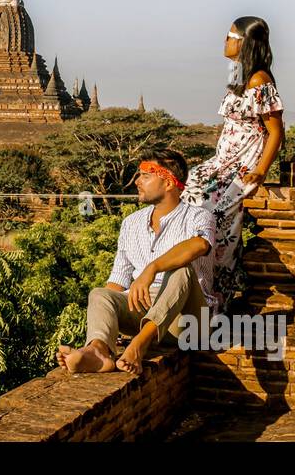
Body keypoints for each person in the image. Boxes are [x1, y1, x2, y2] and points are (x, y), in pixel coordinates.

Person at [56, 151, 213, 375]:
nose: (137, 181)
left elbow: (199, 245)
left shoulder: (198, 217)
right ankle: (98, 352)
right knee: (100, 294)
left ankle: (139, 345)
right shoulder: (132, 223)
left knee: (182, 269)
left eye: (145, 176)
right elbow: (117, 281)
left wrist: (152, 268)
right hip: (144, 312)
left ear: (168, 183)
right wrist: (107, 325)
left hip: (188, 321)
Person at [183, 16, 285, 315]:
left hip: (240, 167)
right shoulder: (241, 77)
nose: (225, 41)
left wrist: (260, 173)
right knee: (187, 199)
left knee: (213, 223)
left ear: (245, 41)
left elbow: (276, 131)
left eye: (230, 36)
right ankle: (187, 290)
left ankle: (212, 301)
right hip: (221, 164)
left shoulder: (259, 80)